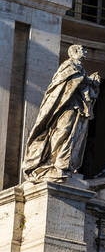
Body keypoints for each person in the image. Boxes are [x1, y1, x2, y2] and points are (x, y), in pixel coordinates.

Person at [21, 44, 100, 182]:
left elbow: (86, 89)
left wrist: (91, 83)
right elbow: (60, 84)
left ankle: (64, 165)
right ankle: (53, 162)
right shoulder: (68, 66)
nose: (85, 52)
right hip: (65, 105)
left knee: (74, 134)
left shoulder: (80, 70)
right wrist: (85, 81)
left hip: (78, 107)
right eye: (83, 50)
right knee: (63, 131)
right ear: (74, 52)